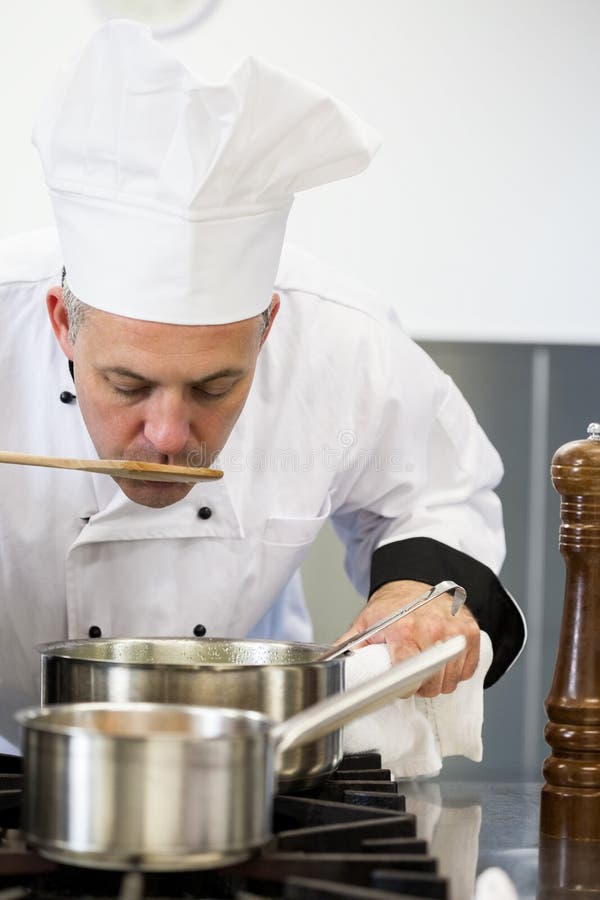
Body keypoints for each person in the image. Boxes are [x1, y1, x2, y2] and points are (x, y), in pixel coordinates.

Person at [0, 21, 525, 750]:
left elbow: (439, 490)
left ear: (268, 327)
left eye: (215, 388)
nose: (168, 439)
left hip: (255, 760)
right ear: (63, 324)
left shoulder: (341, 342)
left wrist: (415, 596)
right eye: (127, 383)